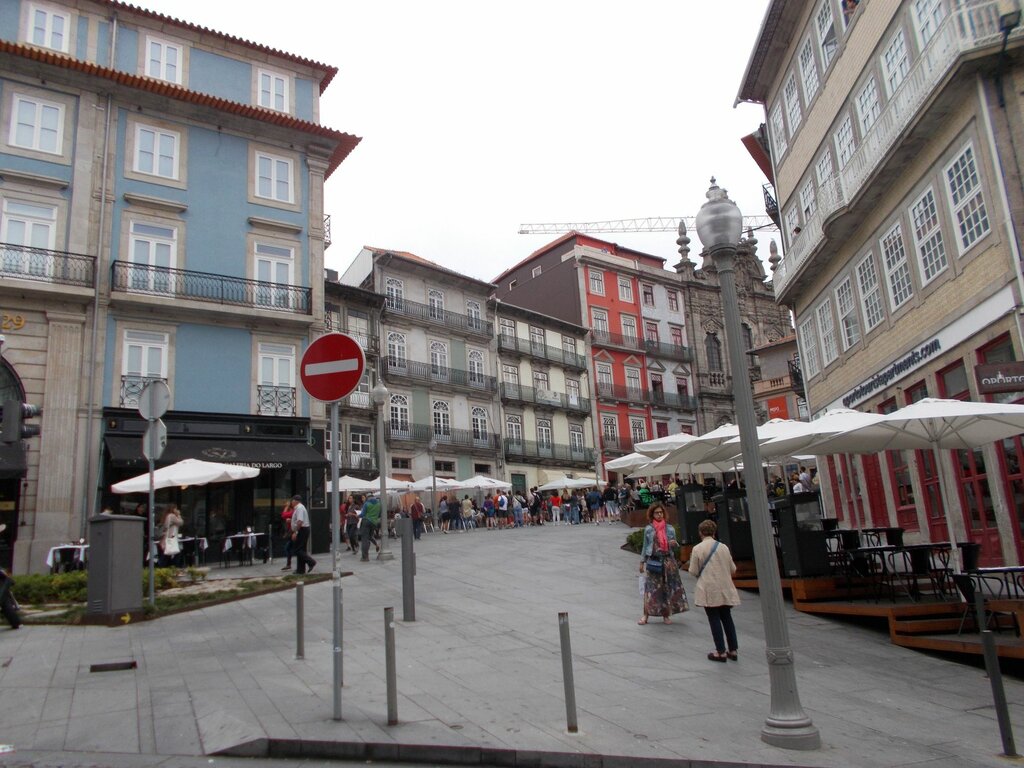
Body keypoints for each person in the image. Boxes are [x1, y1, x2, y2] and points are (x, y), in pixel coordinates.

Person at [688, 519, 740, 663]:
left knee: (714, 618)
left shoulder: (698, 548)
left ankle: (720, 651)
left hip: (709, 588)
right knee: (727, 617)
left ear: (700, 533)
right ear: (714, 532)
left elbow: (693, 571)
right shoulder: (723, 547)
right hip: (725, 587)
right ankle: (733, 649)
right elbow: (733, 568)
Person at [637, 502, 688, 624]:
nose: (659, 515)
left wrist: (674, 544)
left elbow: (675, 545)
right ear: (652, 514)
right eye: (656, 513)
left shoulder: (669, 528)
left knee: (667, 588)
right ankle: (646, 615)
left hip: (668, 561)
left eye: (661, 512)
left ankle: (666, 615)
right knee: (650, 589)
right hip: (654, 561)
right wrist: (641, 562)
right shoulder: (649, 529)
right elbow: (645, 546)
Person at [289, 495, 316, 574]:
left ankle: (311, 562)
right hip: (302, 529)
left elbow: (300, 521)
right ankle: (300, 570)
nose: (291, 502)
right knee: (301, 550)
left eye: (292, 501)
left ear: (296, 501)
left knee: (298, 550)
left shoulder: (300, 508)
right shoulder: (298, 508)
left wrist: (296, 532)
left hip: (302, 530)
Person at [360, 493, 382, 560]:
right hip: (374, 523)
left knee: (365, 540)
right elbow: (379, 515)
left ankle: (365, 557)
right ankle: (376, 545)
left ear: (367, 497)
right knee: (370, 537)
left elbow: (362, 514)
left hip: (366, 521)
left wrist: (356, 515)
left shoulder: (366, 504)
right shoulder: (379, 504)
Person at [280, 499, 295, 570]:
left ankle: (310, 562)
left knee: (289, 548)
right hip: (291, 532)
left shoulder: (293, 511)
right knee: (288, 548)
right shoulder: (291, 511)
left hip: (294, 532)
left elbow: (283, 515)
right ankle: (288, 564)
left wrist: (286, 507)